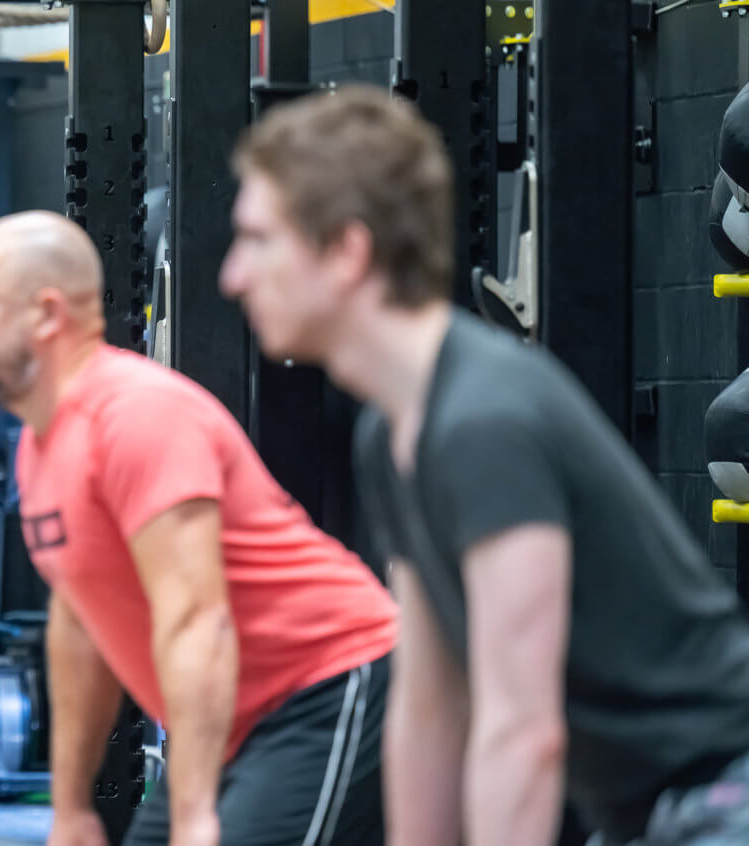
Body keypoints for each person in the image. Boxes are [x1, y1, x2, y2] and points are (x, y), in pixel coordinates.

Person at [219, 85, 749, 846]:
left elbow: (521, 729)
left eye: (259, 240)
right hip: (644, 811)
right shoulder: (394, 433)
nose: (234, 274)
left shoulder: (484, 420)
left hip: (722, 797)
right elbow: (429, 705)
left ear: (347, 252)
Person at [0, 209, 399, 846]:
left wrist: (194, 814)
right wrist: (71, 810)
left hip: (324, 685)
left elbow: (197, 621)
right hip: (233, 721)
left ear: (46, 315)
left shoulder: (136, 414)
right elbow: (80, 627)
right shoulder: (41, 443)